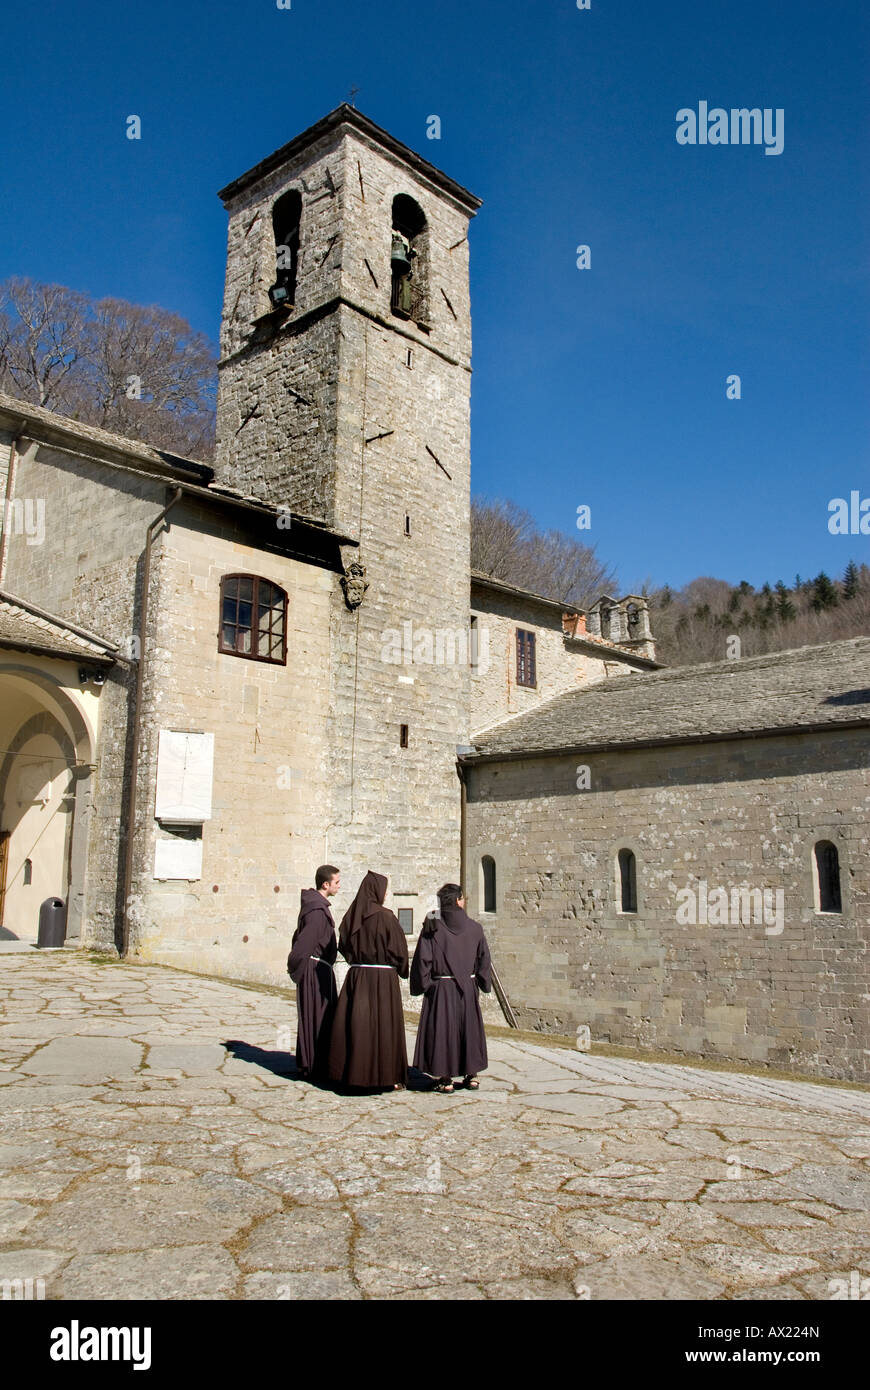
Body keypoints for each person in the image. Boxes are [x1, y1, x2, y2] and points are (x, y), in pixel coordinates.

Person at [327, 870, 409, 1091]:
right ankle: (386, 1077)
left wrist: (358, 960)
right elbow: (399, 951)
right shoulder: (386, 917)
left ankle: (353, 1074)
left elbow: (343, 945)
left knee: (357, 1024)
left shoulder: (351, 917)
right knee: (383, 1027)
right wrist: (401, 969)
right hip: (383, 979)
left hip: (359, 976)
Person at [410, 882, 492, 1093]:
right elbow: (484, 959)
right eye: (462, 898)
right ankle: (472, 1075)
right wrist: (483, 983)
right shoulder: (475, 927)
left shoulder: (432, 923)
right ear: (457, 901)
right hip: (467, 985)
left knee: (443, 1031)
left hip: (441, 987)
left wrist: (426, 983)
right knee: (468, 1029)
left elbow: (423, 959)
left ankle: (445, 1079)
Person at [287, 865, 340, 1080]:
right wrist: (296, 967)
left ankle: (313, 1061)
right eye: (336, 882)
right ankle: (313, 1063)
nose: (339, 886)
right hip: (314, 971)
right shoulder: (317, 912)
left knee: (316, 1016)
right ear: (325, 884)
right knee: (317, 1016)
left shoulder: (316, 907)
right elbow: (304, 942)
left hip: (318, 968)